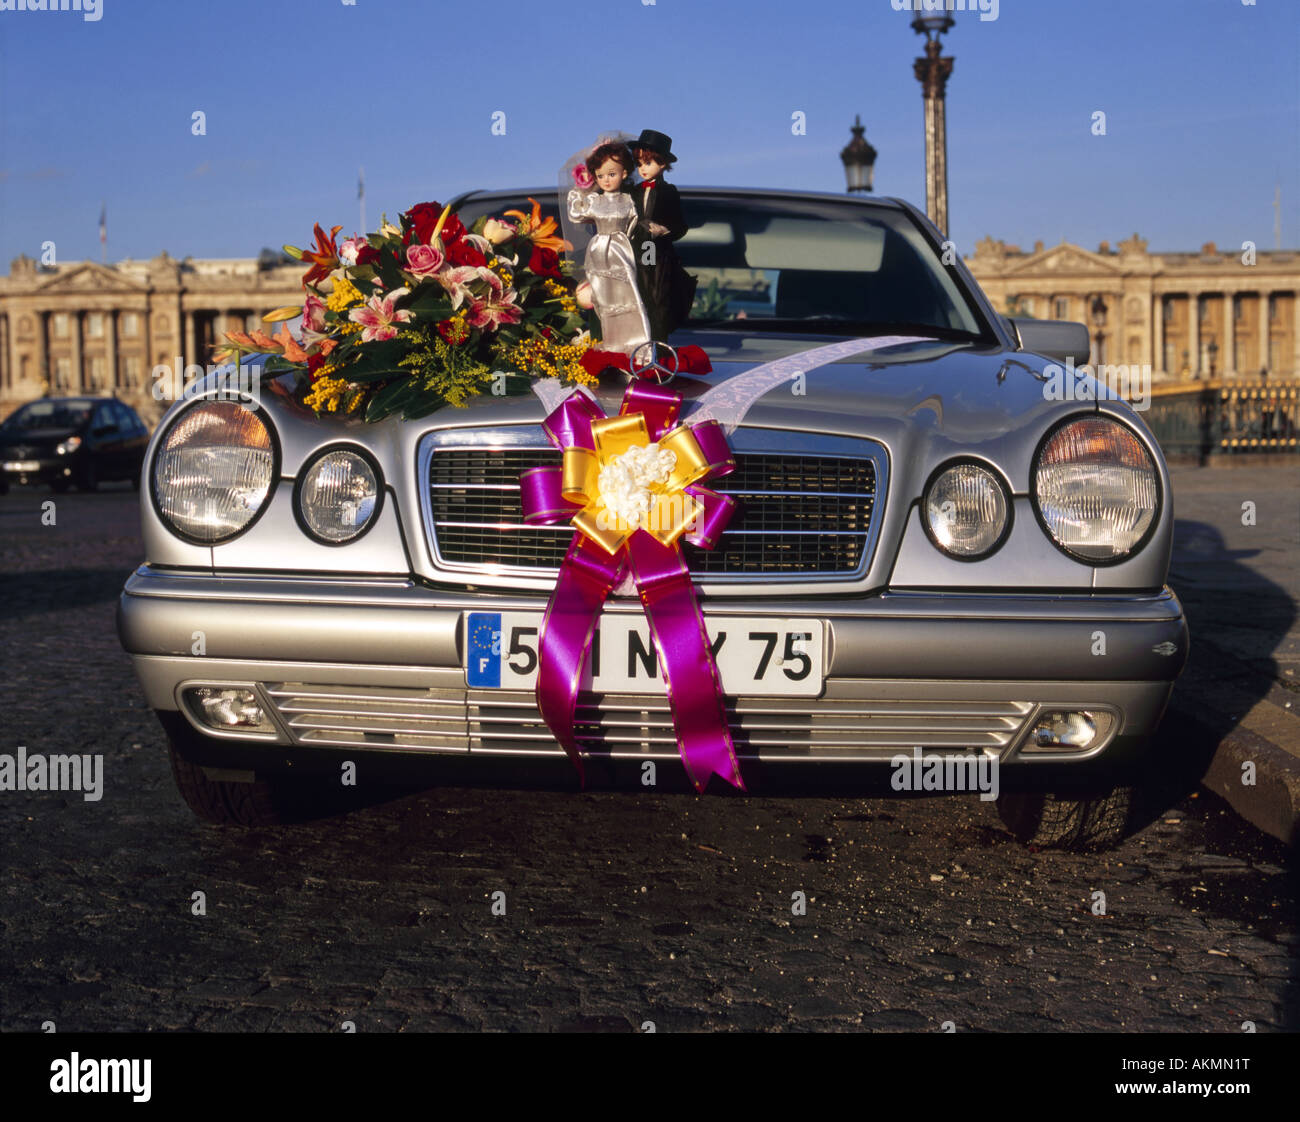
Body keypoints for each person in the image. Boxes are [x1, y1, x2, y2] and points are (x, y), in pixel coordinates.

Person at [566, 140, 652, 357]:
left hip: (621, 251)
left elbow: (634, 225)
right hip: (598, 251)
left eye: (611, 174)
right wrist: (580, 188)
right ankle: (612, 344)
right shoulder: (594, 201)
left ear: (624, 174)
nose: (605, 180)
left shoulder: (629, 201)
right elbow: (576, 213)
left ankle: (636, 345)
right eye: (600, 175)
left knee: (628, 295)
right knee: (604, 299)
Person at [630, 130, 696, 342]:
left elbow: (680, 226)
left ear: (663, 164)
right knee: (637, 294)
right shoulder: (633, 192)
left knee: (657, 299)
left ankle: (657, 342)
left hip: (658, 255)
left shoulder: (669, 192)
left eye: (648, 163)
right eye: (639, 164)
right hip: (635, 251)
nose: (642, 169)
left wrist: (664, 230)